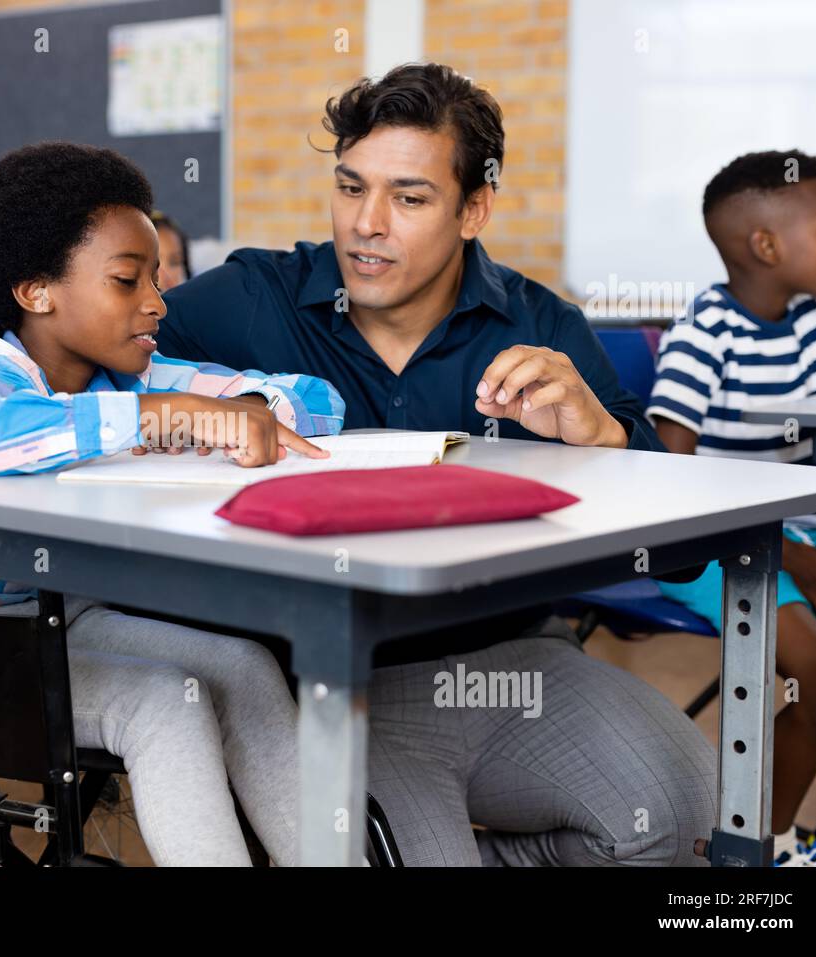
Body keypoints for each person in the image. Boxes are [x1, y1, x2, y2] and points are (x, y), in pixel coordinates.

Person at [158, 62, 717, 866]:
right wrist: (197, 403)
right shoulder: (253, 300)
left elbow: (685, 553)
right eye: (351, 188)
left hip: (516, 661)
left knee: (690, 818)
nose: (366, 224)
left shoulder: (538, 324)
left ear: (474, 208)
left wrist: (604, 441)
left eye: (409, 198)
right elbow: (80, 363)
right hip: (327, 685)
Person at [0, 141, 346, 866]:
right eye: (126, 280)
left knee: (244, 669)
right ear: (37, 291)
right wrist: (158, 416)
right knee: (166, 705)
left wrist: (253, 404)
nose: (157, 302)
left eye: (158, 279)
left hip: (52, 622)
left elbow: (321, 402)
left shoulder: (128, 375)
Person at [649, 149, 816, 866]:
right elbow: (665, 473)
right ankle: (768, 844)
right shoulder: (705, 334)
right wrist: (785, 547)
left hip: (811, 528)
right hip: (717, 540)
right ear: (766, 245)